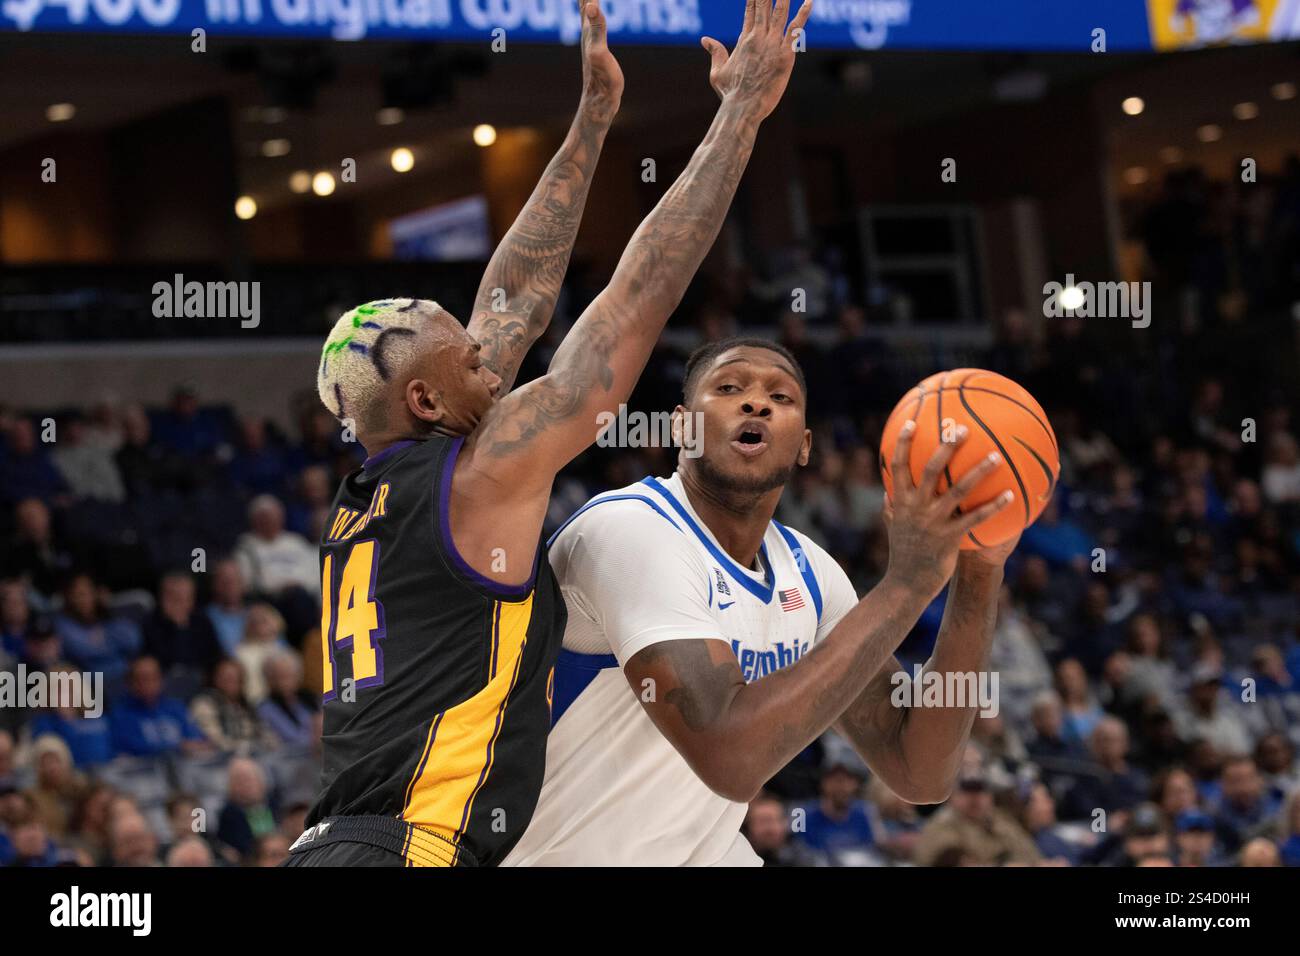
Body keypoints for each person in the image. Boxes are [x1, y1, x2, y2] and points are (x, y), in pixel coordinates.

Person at [289, 0, 809, 870]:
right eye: (468, 358)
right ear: (424, 399)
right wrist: (739, 116)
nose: (490, 358)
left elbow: (511, 304)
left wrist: (592, 120)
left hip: (339, 845)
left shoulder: (385, 490)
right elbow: (639, 297)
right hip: (409, 852)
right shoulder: (476, 476)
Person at [503, 337, 1016, 862]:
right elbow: (730, 758)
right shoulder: (628, 529)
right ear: (680, 425)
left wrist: (979, 567)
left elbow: (919, 771)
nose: (757, 403)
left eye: (782, 397)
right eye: (729, 388)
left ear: (805, 445)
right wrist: (907, 584)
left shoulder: (810, 572)